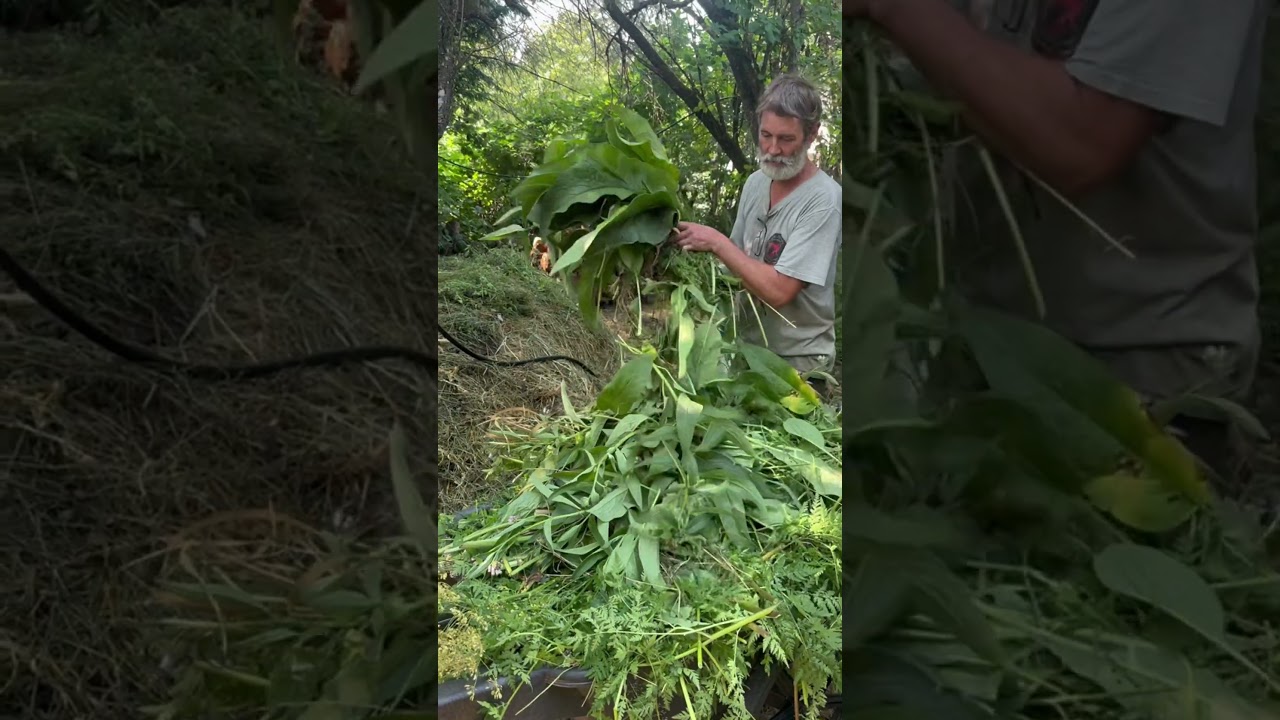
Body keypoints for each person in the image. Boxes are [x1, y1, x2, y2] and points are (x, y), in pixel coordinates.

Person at [842, 0, 1271, 487]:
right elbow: (970, 60)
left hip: (1141, 375)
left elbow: (1082, 140)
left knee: (1120, 555)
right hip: (988, 338)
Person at [671, 74, 842, 397]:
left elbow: (779, 291)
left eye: (786, 139)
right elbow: (736, 264)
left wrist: (716, 242)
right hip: (745, 354)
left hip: (798, 368)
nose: (773, 149)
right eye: (766, 135)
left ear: (812, 134)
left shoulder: (824, 201)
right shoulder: (755, 184)